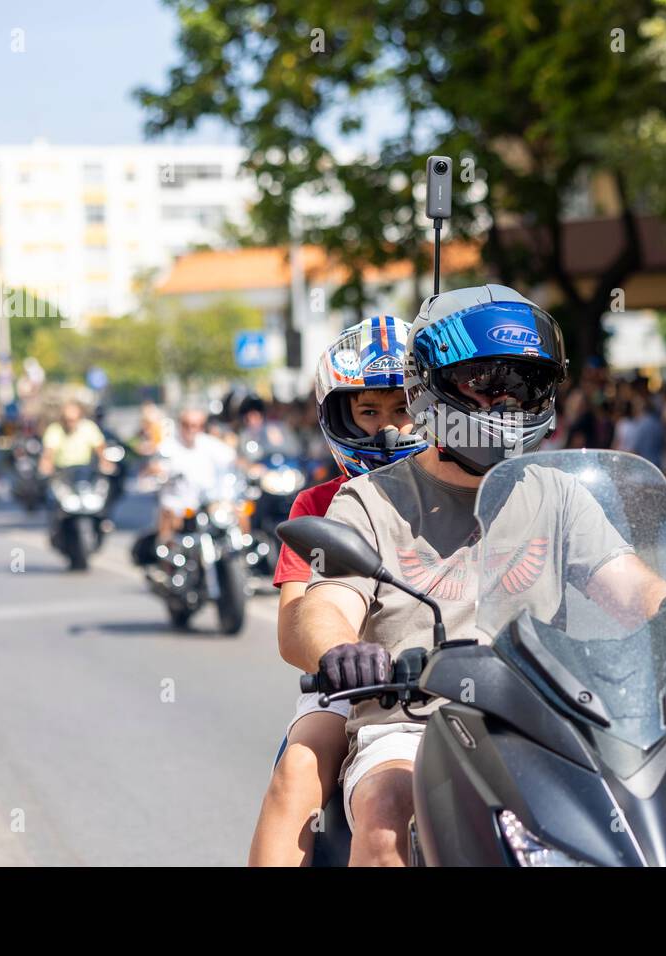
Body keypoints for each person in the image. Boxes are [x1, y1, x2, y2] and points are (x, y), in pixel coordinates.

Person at [285, 285, 666, 866]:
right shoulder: (369, 502)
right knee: (389, 810)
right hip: (411, 724)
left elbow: (639, 590)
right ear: (430, 384)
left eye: (522, 385)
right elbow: (329, 601)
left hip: (548, 721)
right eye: (485, 383)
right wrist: (340, 649)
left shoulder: (559, 494)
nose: (503, 403)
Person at [248, 315, 427, 867]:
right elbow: (291, 630)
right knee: (299, 767)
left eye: (401, 408)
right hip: (353, 691)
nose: (386, 428)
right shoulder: (318, 505)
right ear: (339, 415)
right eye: (367, 411)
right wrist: (343, 657)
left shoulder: (468, 487)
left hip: (465, 678)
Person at [149, 407, 239, 544]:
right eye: (187, 425)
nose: (192, 429)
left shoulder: (209, 443)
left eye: (197, 425)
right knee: (168, 516)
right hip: (179, 502)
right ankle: (167, 552)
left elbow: (232, 458)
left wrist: (255, 469)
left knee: (238, 512)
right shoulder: (169, 446)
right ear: (180, 425)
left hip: (207, 501)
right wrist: (159, 471)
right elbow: (156, 466)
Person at [38, 402, 106, 476]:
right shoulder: (55, 429)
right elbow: (48, 451)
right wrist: (46, 464)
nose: (70, 423)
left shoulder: (89, 427)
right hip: (62, 473)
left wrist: (104, 461)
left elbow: (100, 447)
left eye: (73, 420)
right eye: (67, 420)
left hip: (86, 472)